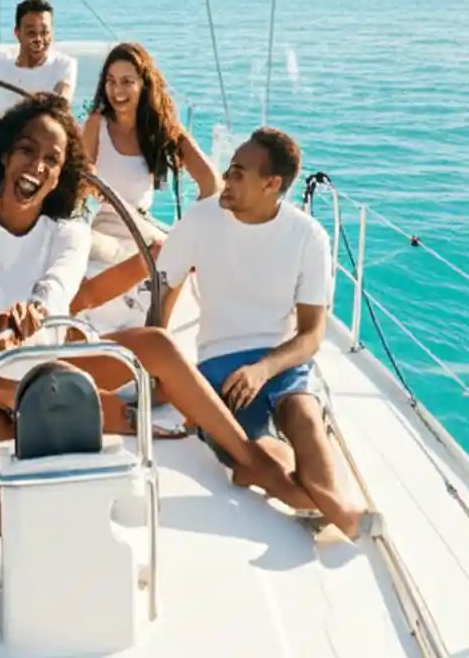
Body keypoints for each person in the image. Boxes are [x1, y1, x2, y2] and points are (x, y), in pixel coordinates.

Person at [0, 94, 315, 658]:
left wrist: (30, 319)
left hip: (49, 374)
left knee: (155, 344)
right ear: (4, 156)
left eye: (53, 160)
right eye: (26, 150)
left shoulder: (68, 234)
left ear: (63, 174)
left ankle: (250, 456)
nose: (37, 166)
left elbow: (57, 295)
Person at [155, 127, 377, 540]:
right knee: (254, 449)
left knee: (305, 420)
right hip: (218, 366)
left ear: (271, 184)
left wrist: (262, 369)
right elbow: (165, 290)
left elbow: (311, 334)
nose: (225, 177)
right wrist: (154, 359)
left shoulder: (308, 236)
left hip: (281, 362)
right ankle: (338, 510)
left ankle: (319, 499)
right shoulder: (202, 219)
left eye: (238, 172)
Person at [82, 42, 221, 266]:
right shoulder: (95, 125)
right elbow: (80, 181)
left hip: (143, 230)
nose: (117, 90)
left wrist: (189, 232)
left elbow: (211, 183)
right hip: (103, 232)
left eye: (127, 82)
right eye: (111, 81)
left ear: (143, 84)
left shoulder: (163, 128)